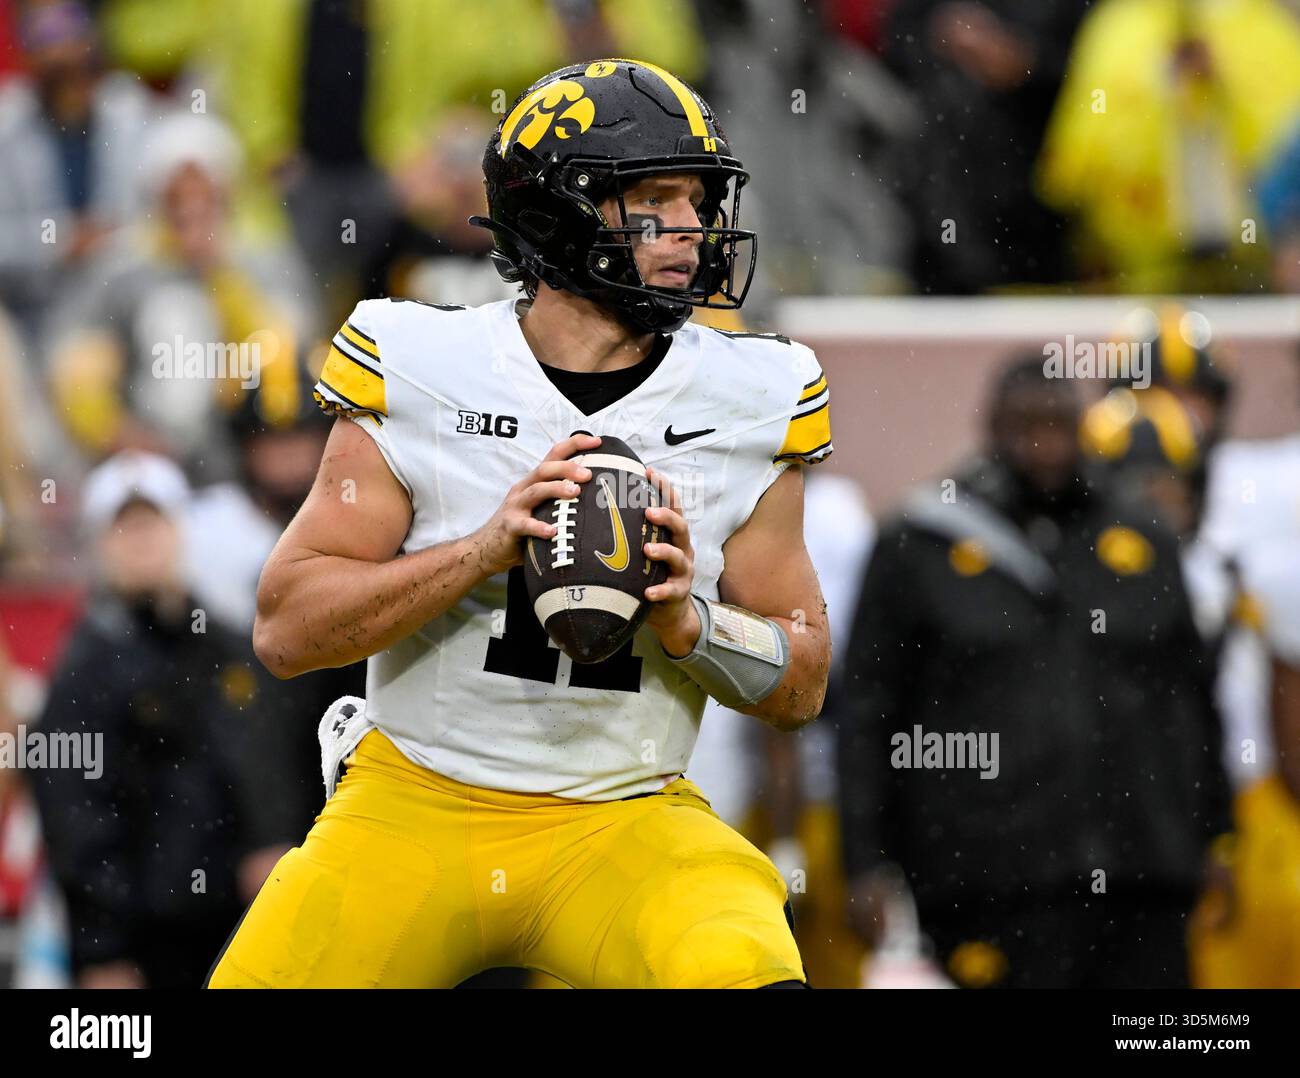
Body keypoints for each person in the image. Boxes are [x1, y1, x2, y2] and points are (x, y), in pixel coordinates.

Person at [206, 59, 834, 989]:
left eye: (699, 201)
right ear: (556, 215)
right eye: (654, 199)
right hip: (415, 801)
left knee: (740, 967)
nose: (693, 231)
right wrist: (481, 552)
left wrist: (691, 626)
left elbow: (803, 679)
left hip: (626, 814)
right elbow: (287, 630)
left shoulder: (754, 395)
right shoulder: (421, 364)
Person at [838, 358, 1229, 988]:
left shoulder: (1140, 533)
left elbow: (1192, 694)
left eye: (1057, 425)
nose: (1042, 444)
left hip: (1141, 872)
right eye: (1025, 426)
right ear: (990, 428)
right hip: (989, 878)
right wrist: (864, 859)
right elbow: (868, 712)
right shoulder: (922, 543)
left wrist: (1219, 832)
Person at [32, 451, 283, 988]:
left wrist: (272, 846)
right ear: (101, 544)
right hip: (145, 948)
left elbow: (263, 765)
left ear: (179, 529)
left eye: (152, 522)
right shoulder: (84, 671)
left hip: (238, 928)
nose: (140, 539)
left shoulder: (229, 648)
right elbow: (76, 818)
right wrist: (103, 950)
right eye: (124, 527)